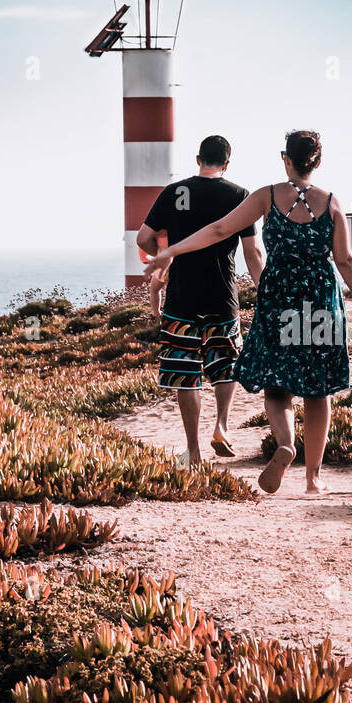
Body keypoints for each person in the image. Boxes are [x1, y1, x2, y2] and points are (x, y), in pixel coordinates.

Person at [146, 130, 352, 494]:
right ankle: (313, 479)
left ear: (286, 159)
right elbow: (345, 261)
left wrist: (172, 251)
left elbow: (220, 229)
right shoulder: (332, 204)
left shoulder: (268, 196)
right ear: (316, 162)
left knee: (278, 388)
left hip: (278, 299)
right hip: (320, 300)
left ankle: (285, 443)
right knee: (318, 391)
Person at [137, 135, 265, 464]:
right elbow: (252, 254)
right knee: (225, 366)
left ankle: (193, 450)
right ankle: (221, 426)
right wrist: (265, 291)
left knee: (186, 373)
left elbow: (144, 238)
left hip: (180, 298)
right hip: (222, 295)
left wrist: (166, 256)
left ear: (198, 159)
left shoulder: (174, 192)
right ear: (226, 163)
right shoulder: (239, 196)